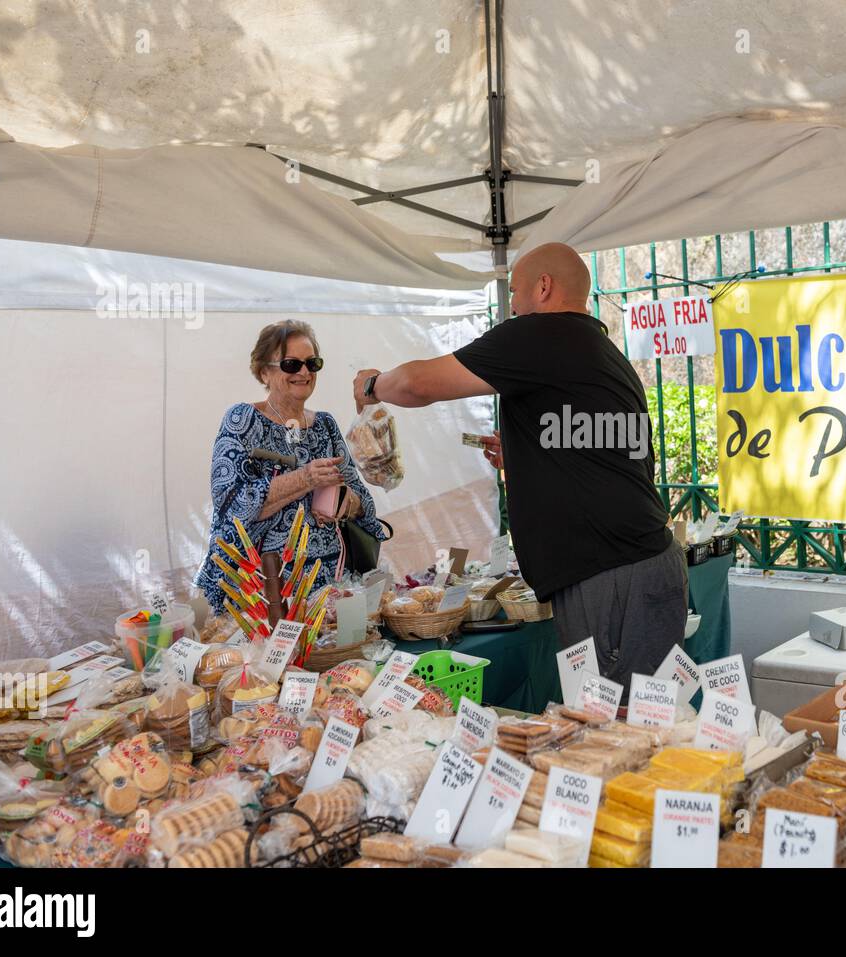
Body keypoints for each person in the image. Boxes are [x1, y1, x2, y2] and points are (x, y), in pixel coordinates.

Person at [353, 243, 685, 688]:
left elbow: (418, 384)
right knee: (644, 724)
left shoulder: (540, 335)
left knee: (609, 728)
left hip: (608, 576)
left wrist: (373, 384)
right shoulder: (603, 354)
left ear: (543, 288)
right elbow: (611, 450)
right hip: (646, 565)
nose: (511, 306)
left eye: (515, 294)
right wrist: (527, 456)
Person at [196, 320, 387, 613]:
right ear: (264, 372)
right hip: (260, 596)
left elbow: (365, 506)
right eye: (290, 364)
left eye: (312, 363)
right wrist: (304, 478)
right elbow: (230, 506)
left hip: (329, 591)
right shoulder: (243, 419)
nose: (304, 372)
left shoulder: (325, 424)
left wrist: (348, 503)